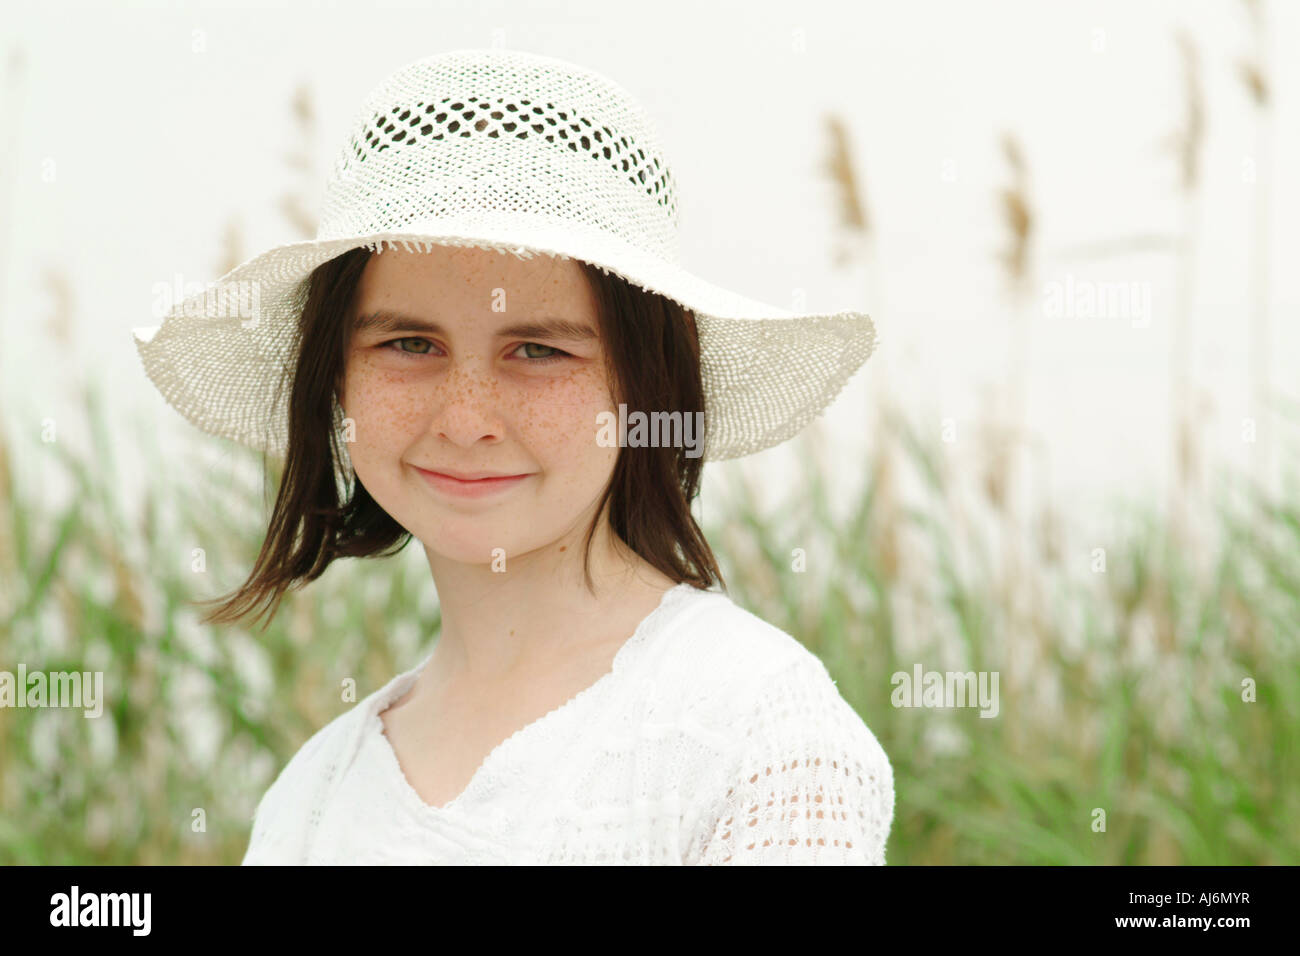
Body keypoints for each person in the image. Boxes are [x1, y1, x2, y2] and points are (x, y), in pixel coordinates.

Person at [132, 48, 892, 864]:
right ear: (336, 377)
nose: (465, 419)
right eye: (409, 342)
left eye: (537, 351)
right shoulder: (310, 801)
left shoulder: (755, 737)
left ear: (645, 385)